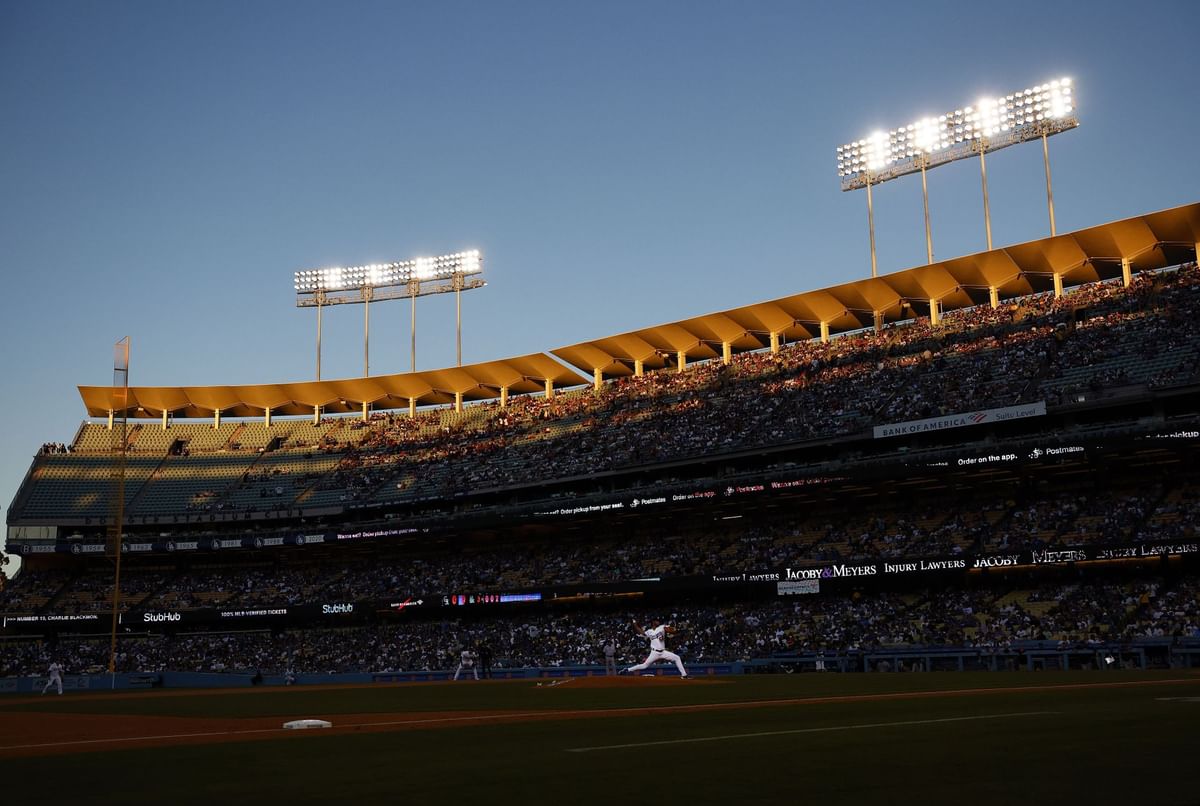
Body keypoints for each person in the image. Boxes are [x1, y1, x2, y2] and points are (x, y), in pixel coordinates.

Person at [623, 618, 689, 678]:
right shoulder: (649, 631)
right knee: (644, 666)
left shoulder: (662, 627)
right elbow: (642, 632)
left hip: (663, 652)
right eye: (657, 621)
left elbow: (670, 630)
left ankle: (684, 675)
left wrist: (674, 629)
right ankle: (627, 669)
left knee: (677, 658)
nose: (658, 622)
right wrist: (635, 624)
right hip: (654, 653)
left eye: (658, 621)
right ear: (653, 622)